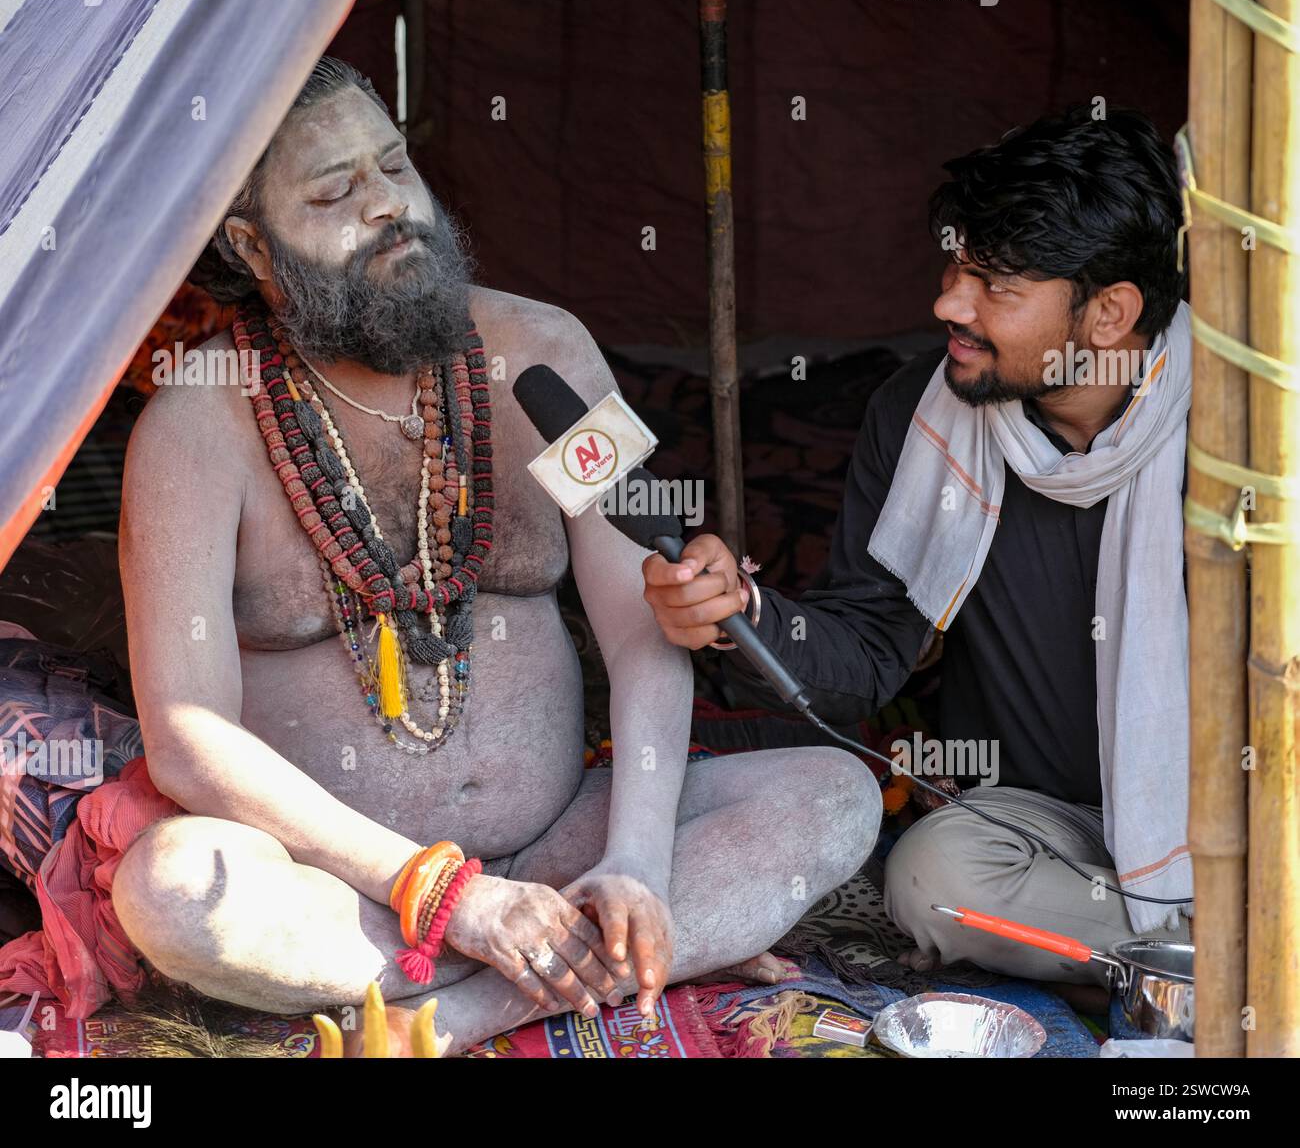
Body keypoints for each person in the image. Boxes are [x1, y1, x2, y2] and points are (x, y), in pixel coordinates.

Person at [84, 57, 883, 1054]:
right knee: (170, 890)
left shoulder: (550, 353)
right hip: (350, 897)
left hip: (566, 855)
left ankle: (462, 1011)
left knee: (834, 796)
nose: (385, 207)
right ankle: (595, 957)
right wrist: (443, 895)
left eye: (393, 167)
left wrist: (634, 863)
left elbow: (642, 626)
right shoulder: (195, 425)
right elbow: (187, 737)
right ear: (254, 245)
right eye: (334, 192)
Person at [643, 107, 1193, 989]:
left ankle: (1208, 943)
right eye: (956, 267)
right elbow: (865, 656)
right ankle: (1224, 959)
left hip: (1229, 820)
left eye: (996, 287)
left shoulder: (1242, 436)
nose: (948, 304)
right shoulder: (922, 416)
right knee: (933, 878)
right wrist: (738, 615)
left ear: (1109, 314)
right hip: (1040, 825)